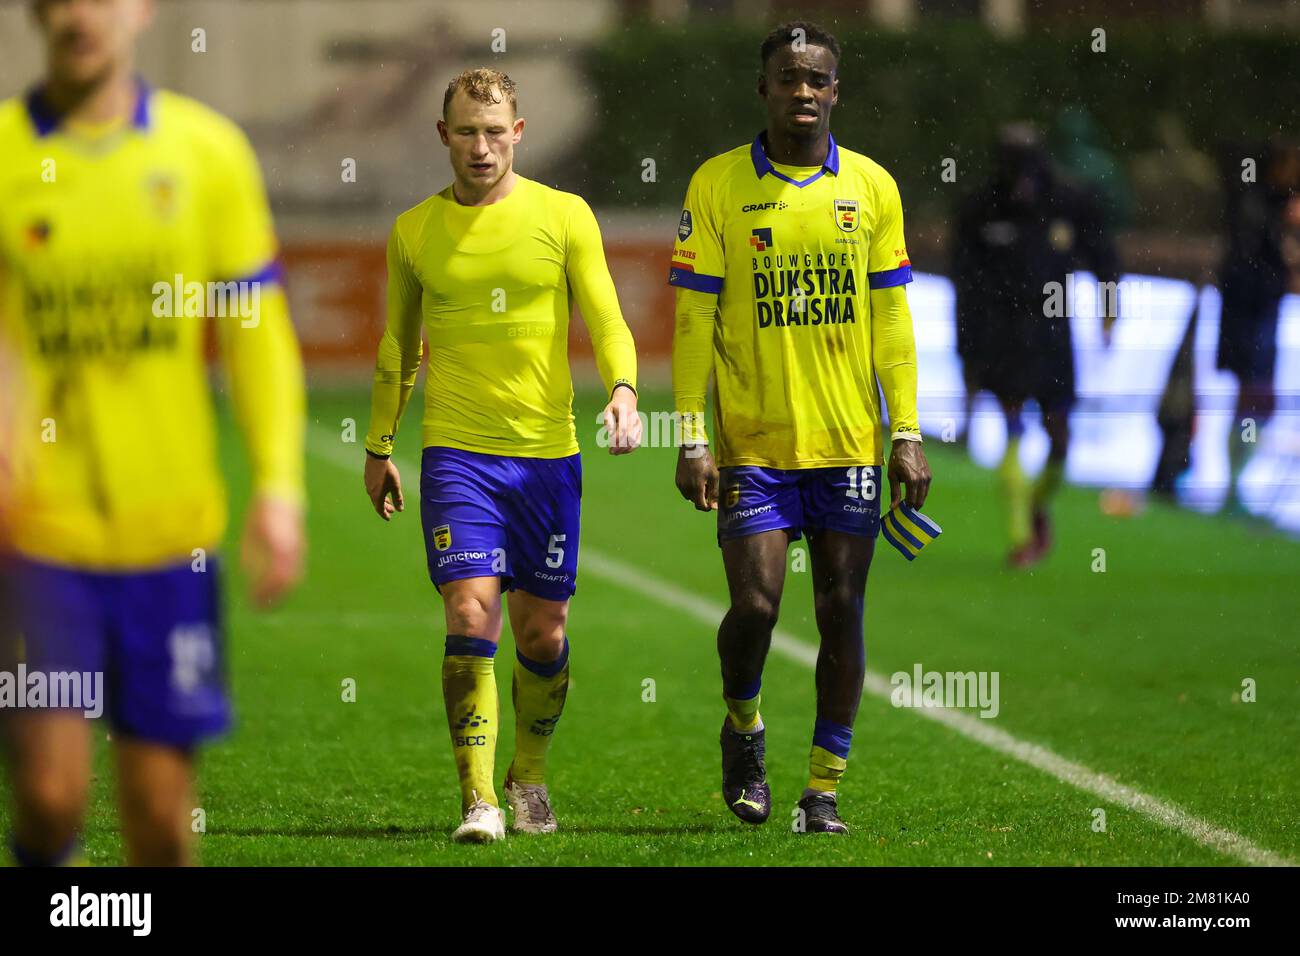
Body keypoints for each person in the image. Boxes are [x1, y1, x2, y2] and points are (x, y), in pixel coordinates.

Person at [0, 0, 306, 866]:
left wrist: (279, 490)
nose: (77, 14)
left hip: (172, 542)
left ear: (140, 9)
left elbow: (257, 335)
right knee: (52, 797)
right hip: (37, 542)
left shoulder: (205, 153)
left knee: (163, 825)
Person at [362, 68, 641, 843]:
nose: (481, 147)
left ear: (518, 133)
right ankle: (479, 798)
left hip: (547, 458)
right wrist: (380, 444)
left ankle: (529, 778)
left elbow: (607, 315)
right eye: (466, 131)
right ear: (442, 135)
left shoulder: (564, 215)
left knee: (542, 633)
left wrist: (623, 388)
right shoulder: (414, 231)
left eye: (495, 131)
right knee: (469, 610)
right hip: (457, 456)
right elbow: (397, 349)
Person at [670, 21, 930, 835]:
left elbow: (892, 319)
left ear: (836, 90)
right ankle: (743, 727)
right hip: (754, 447)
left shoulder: (873, 188)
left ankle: (823, 789)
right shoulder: (715, 185)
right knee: (754, 608)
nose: (804, 92)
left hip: (849, 444)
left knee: (842, 610)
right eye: (789, 78)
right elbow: (691, 322)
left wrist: (906, 434)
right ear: (765, 90)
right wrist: (689, 436)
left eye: (818, 78)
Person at [951, 124, 1119, 566]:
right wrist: (967, 348)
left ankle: (1038, 500)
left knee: (1060, 438)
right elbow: (963, 281)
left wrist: (1109, 312)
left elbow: (1104, 258)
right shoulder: (980, 207)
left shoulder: (1068, 200)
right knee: (1011, 430)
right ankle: (1021, 536)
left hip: (1051, 332)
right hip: (1001, 333)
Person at [1216, 140, 1300, 514]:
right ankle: (1233, 484)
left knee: (1256, 399)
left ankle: (1235, 483)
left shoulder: (1272, 205)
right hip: (1248, 314)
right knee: (1254, 397)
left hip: (1258, 312)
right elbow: (1250, 261)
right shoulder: (1257, 205)